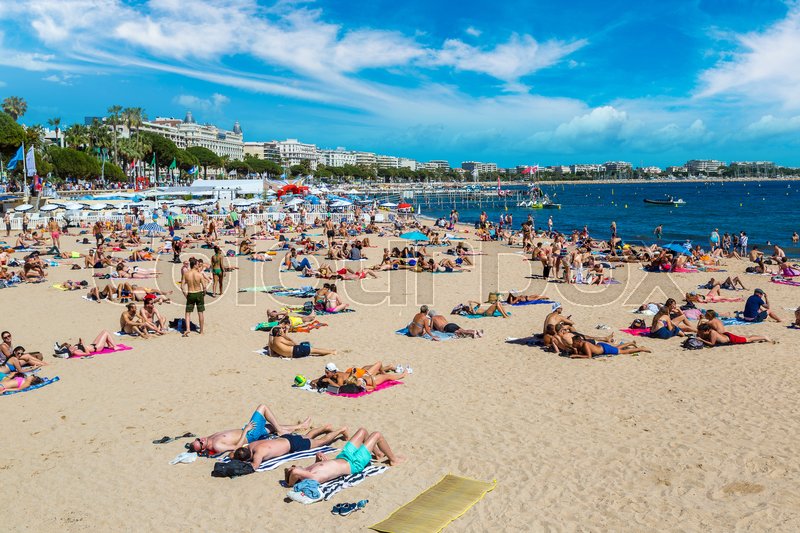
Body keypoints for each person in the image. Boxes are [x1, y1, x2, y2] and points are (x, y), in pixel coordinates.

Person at [284, 427, 405, 487]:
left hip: (344, 455)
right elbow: (295, 471)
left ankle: (378, 453)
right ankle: (393, 460)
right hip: (353, 463)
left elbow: (323, 469)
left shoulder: (308, 471)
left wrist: (319, 459)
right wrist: (290, 483)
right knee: (377, 435)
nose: (293, 467)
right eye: (290, 469)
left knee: (362, 431)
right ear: (296, 477)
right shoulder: (310, 478)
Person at [188, 404, 311, 456]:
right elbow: (236, 448)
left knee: (270, 427)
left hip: (248, 431)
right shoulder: (217, 445)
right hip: (249, 434)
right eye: (201, 443)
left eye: (198, 439)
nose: (201, 439)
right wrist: (246, 430)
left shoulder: (209, 438)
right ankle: (280, 430)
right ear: (203, 448)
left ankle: (300, 427)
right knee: (262, 407)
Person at [232, 424, 349, 469]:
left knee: (320, 442)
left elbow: (254, 466)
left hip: (293, 445)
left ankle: (341, 429)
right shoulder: (251, 445)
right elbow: (233, 453)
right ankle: (324, 427)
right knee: (307, 436)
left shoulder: (258, 453)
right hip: (286, 438)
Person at [311, 361, 408, 391]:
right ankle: (389, 368)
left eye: (327, 372)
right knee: (372, 368)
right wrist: (313, 381)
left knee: (377, 370)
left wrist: (329, 381)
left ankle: (389, 370)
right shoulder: (332, 375)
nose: (326, 374)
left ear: (333, 372)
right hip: (360, 376)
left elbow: (340, 387)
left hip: (360, 375)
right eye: (326, 372)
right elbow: (322, 378)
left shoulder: (338, 377)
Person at [268, 327, 336, 358]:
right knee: (314, 350)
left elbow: (272, 354)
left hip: (291, 355)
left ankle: (330, 351)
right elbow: (293, 343)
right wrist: (285, 336)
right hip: (295, 351)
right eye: (281, 330)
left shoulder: (271, 344)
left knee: (309, 348)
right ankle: (331, 352)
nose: (283, 330)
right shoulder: (279, 338)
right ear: (278, 333)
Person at [182, 257, 207, 336]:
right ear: (195, 265)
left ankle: (188, 329)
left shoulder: (186, 274)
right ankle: (201, 331)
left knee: (188, 313)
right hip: (198, 293)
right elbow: (204, 286)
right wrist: (204, 293)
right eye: (197, 264)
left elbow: (182, 286)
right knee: (200, 312)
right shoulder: (199, 274)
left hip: (190, 293)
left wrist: (186, 295)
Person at [570, 335, 651, 358]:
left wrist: (576, 355)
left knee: (623, 352)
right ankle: (630, 343)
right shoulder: (580, 344)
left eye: (574, 343)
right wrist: (575, 350)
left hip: (604, 349)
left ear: (578, 341)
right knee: (617, 348)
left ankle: (641, 348)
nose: (573, 344)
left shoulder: (585, 344)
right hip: (601, 346)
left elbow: (589, 356)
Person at [53, 330, 121, 357]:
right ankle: (115, 346)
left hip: (93, 345)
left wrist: (79, 343)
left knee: (103, 331)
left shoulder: (72, 348)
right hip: (96, 348)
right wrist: (83, 344)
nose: (70, 347)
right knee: (106, 333)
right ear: (70, 352)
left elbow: (66, 344)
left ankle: (109, 345)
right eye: (69, 348)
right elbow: (88, 353)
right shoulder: (77, 352)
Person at [696, 322, 771, 346]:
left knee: (748, 339)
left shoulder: (712, 332)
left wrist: (701, 340)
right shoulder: (709, 331)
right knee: (746, 337)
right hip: (726, 335)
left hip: (730, 339)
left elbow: (712, 344)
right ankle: (761, 336)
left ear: (706, 330)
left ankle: (764, 337)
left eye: (702, 332)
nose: (701, 333)